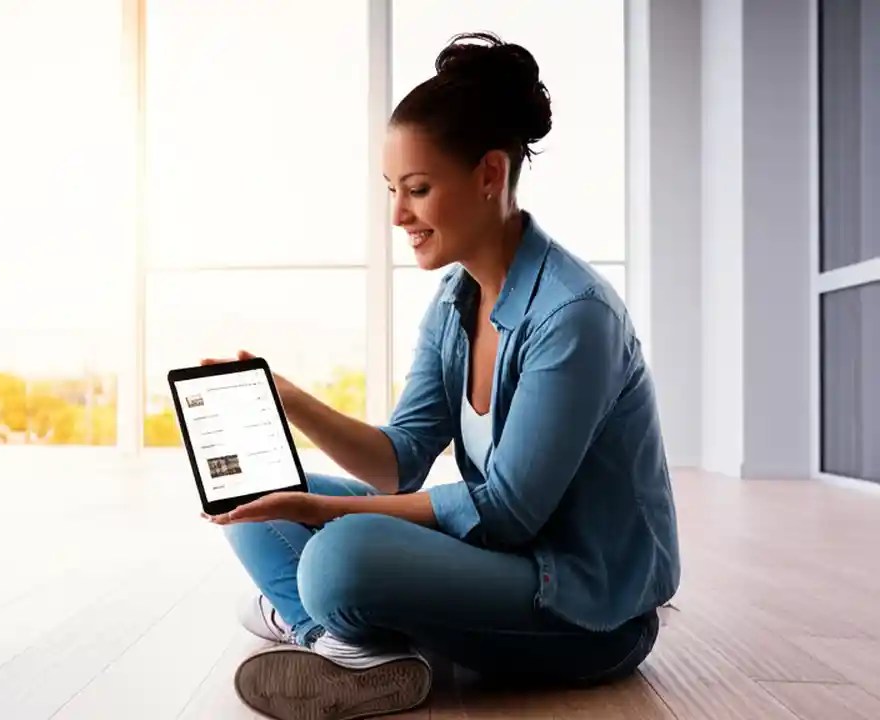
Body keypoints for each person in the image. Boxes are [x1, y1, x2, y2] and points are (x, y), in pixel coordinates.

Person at [199, 32, 681, 720]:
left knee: (337, 557)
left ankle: (327, 620)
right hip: (497, 567)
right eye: (393, 190)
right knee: (259, 493)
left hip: (582, 611)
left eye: (418, 190)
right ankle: (350, 646)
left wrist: (324, 515)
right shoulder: (457, 298)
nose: (398, 215)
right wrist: (284, 398)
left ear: (489, 175)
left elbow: (511, 514)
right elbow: (398, 462)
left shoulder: (574, 315)